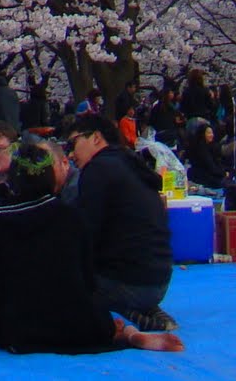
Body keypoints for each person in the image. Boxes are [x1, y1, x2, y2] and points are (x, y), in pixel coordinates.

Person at [0, 141, 184, 356]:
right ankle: (129, 332)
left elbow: (1, 282)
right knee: (98, 314)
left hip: (22, 330)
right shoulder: (70, 216)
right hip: (75, 326)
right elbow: (87, 278)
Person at [69, 115, 176, 332]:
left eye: (73, 143)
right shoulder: (131, 165)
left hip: (129, 283)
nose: (71, 154)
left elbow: (86, 234)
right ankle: (145, 307)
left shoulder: (97, 170)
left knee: (64, 281)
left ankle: (130, 311)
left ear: (96, 138)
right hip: (160, 279)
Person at [181, 119, 226, 189]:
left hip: (208, 173)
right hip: (200, 176)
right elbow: (210, 165)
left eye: (212, 133)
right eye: (209, 133)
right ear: (203, 134)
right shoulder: (200, 147)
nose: (211, 135)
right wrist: (223, 173)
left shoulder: (211, 146)